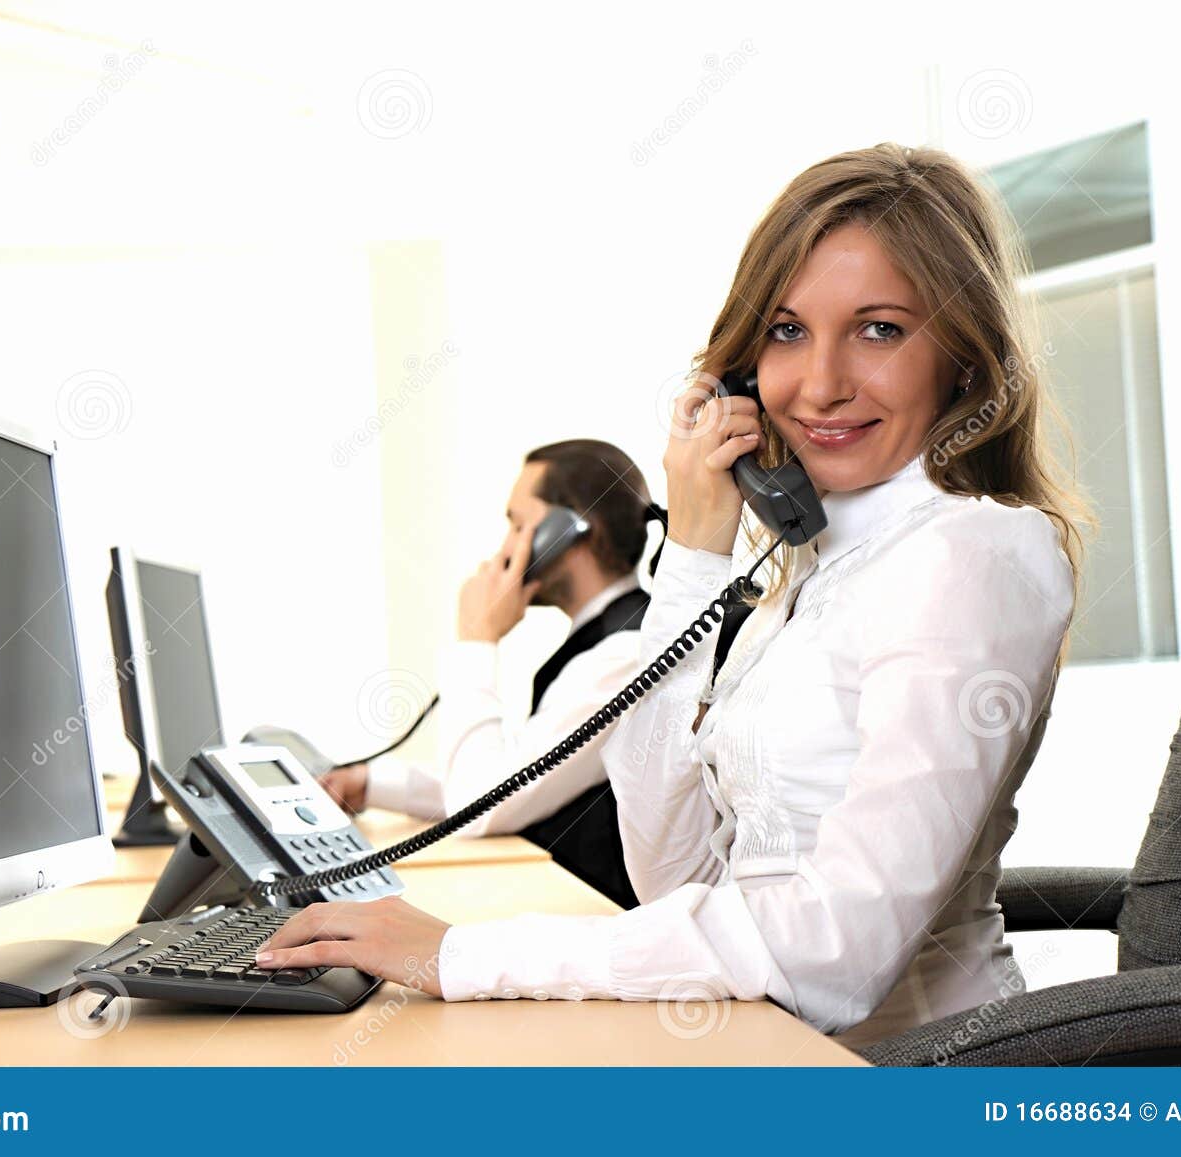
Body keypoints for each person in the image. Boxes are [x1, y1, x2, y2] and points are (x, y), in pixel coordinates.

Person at [255, 142, 1090, 1046]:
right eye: (786, 331)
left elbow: (838, 954)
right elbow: (674, 874)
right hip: (755, 1047)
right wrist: (693, 550)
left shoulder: (971, 555)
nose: (820, 383)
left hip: (916, 1071)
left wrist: (465, 956)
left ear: (963, 359)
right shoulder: (804, 571)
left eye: (879, 329)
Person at [319, 440, 666, 909]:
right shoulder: (607, 643)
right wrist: (372, 783)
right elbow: (509, 777)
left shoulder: (626, 655)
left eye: (518, 524)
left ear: (568, 531)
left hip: (605, 933)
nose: (504, 547)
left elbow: (479, 805)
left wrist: (476, 641)